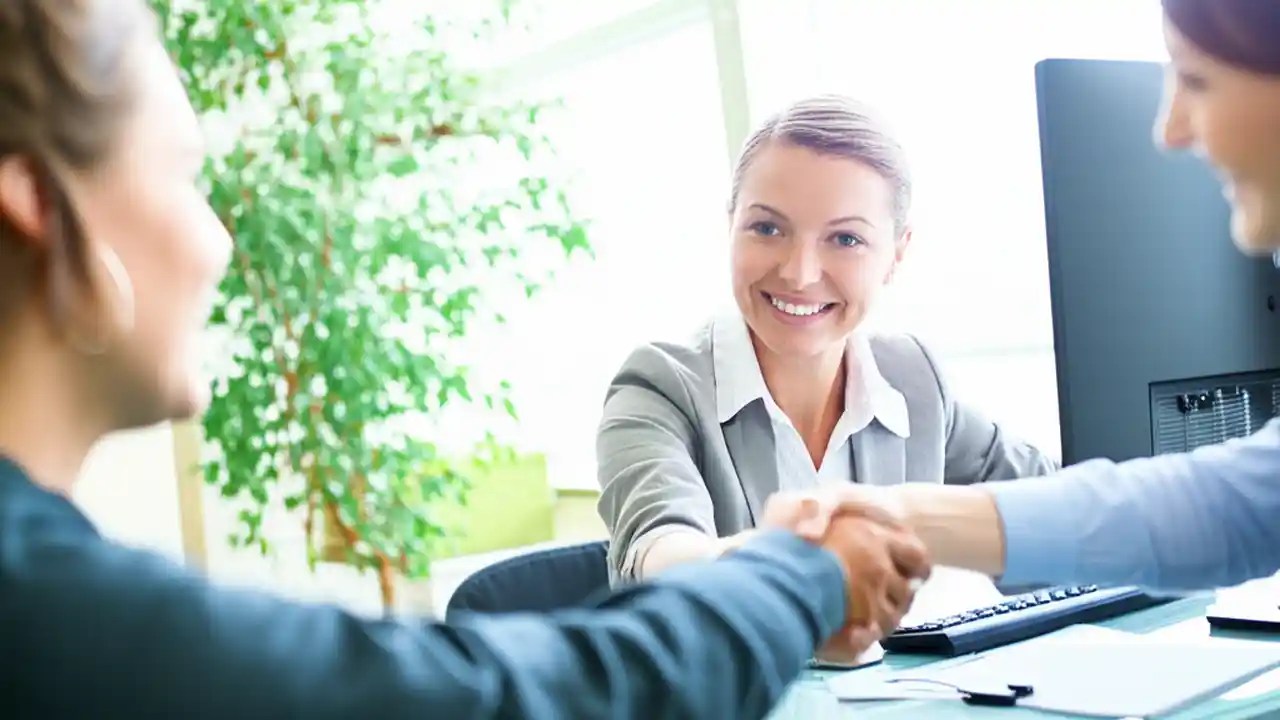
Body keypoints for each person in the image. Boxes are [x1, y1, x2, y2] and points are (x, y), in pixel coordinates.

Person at [0, 1, 931, 717]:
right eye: (182, 175)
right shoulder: (44, 608)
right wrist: (811, 570)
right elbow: (515, 697)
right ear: (38, 201)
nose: (220, 243)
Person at [775, 0, 1280, 595]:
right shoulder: (668, 383)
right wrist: (897, 518)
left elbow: (1233, 510)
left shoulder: (910, 378)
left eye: (1196, 79)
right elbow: (1239, 508)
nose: (1169, 130)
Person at [596, 95, 1055, 585]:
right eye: (767, 228)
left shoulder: (912, 378)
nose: (798, 273)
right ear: (730, 224)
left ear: (897, 254)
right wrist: (786, 563)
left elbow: (1053, 503)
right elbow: (660, 549)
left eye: (845, 239)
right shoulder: (657, 387)